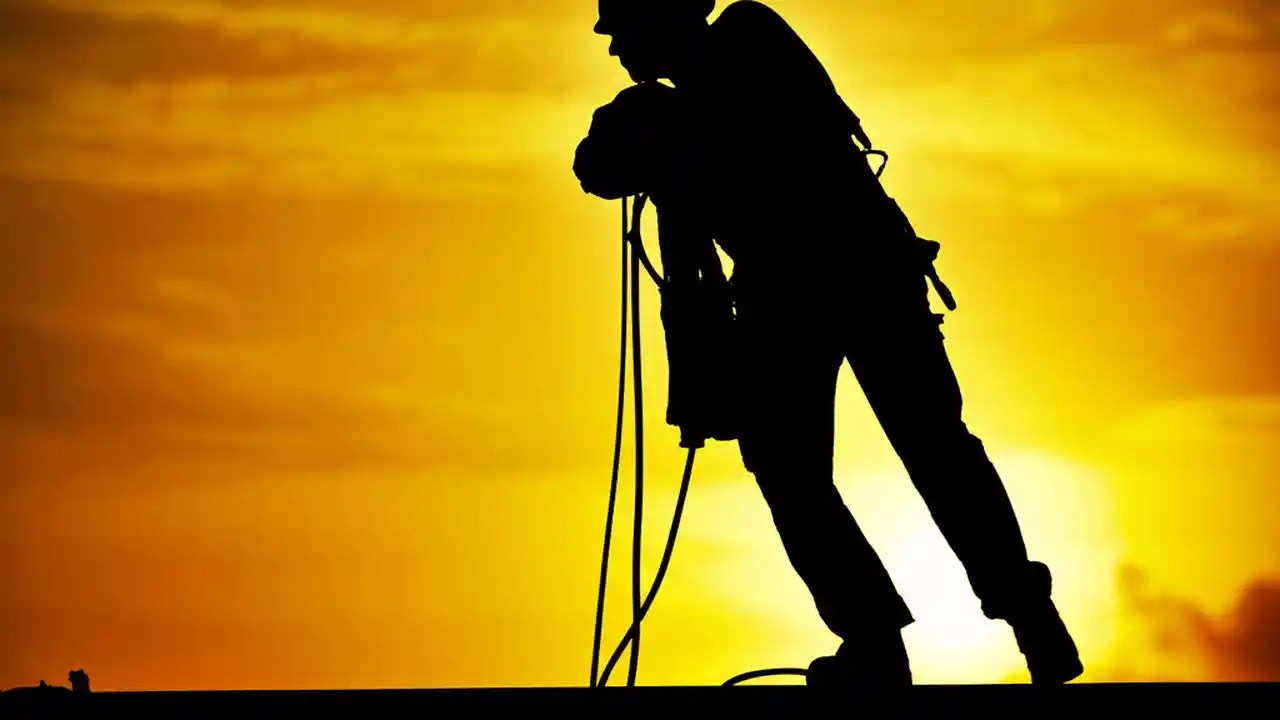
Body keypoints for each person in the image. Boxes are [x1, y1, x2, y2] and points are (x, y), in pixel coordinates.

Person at [573, 0, 1083, 687]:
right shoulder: (683, 107)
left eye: (622, 31)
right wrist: (652, 138)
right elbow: (598, 168)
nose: (614, 49)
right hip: (818, 286)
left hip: (839, 275)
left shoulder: (745, 42)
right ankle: (885, 640)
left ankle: (1019, 619)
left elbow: (761, 137)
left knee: (924, 449)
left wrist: (666, 141)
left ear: (661, 18)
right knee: (817, 468)